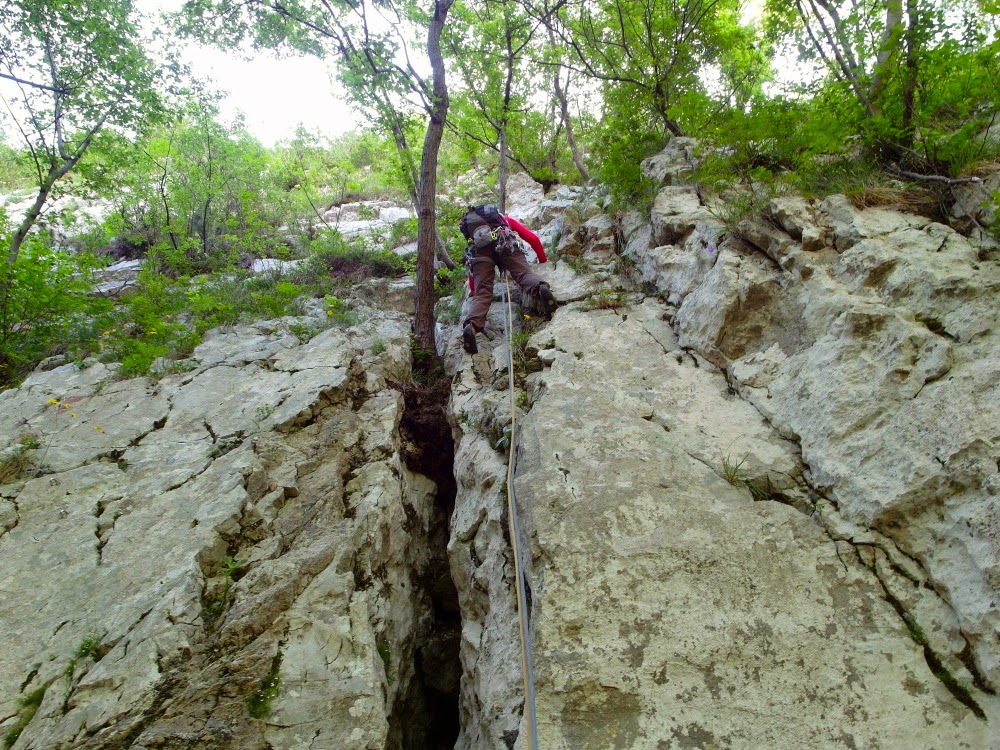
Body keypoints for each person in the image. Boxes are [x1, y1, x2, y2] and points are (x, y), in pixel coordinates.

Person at [459, 205, 557, 355]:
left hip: (480, 255)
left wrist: (473, 290)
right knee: (523, 274)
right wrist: (542, 259)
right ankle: (540, 288)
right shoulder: (505, 221)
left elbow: (472, 268)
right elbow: (533, 238)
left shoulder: (476, 234)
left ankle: (471, 326)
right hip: (505, 242)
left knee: (482, 294)